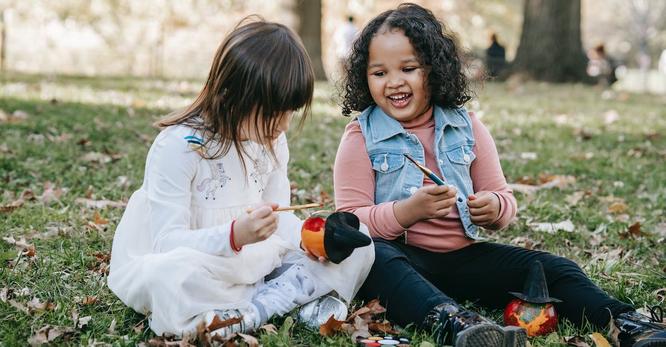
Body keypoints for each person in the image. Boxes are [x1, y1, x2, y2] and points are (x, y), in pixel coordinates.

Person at [334, 3, 665, 347]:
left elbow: (502, 198)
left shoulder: (467, 127)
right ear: (364, 76)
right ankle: (457, 324)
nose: (394, 82)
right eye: (380, 73)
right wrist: (408, 212)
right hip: (404, 265)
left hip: (465, 259)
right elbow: (351, 225)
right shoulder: (361, 136)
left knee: (555, 268)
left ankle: (628, 324)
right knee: (376, 258)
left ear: (433, 69)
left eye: (408, 68)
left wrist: (493, 207)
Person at [107, 18, 374, 337]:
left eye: (289, 112)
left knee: (363, 243)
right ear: (234, 96)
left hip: (257, 262)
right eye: (275, 113)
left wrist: (312, 237)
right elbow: (166, 243)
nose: (284, 125)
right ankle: (283, 301)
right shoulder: (179, 147)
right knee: (168, 278)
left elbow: (278, 221)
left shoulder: (272, 142)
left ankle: (251, 311)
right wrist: (233, 236)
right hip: (203, 265)